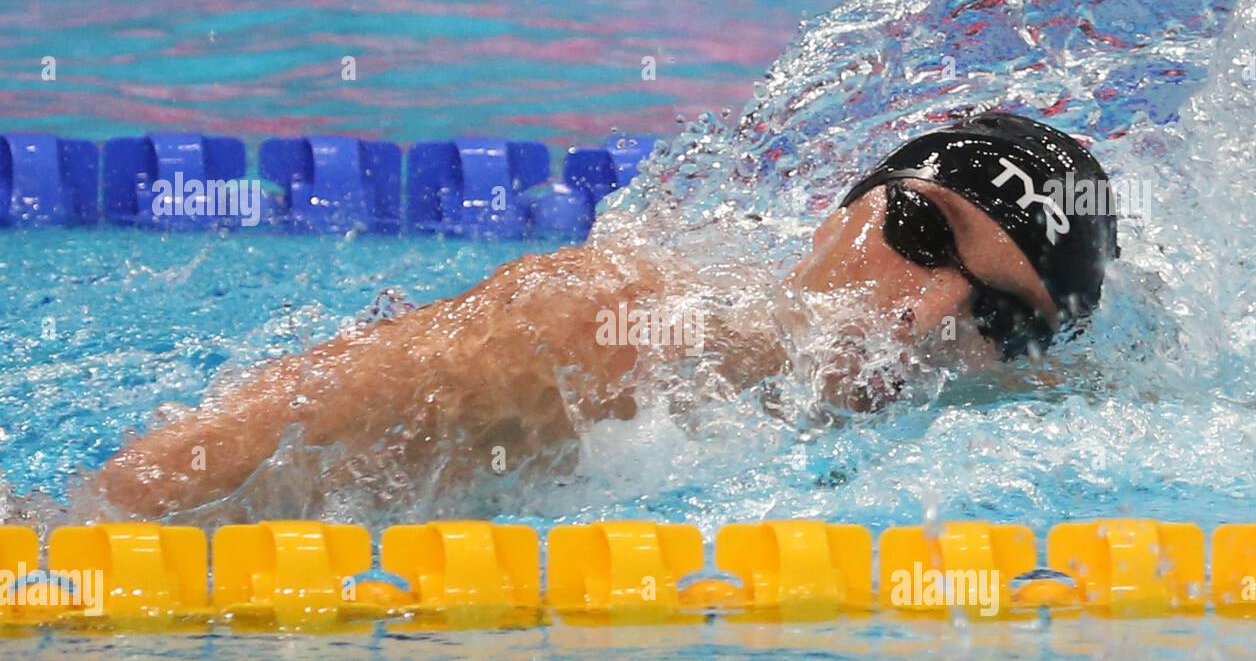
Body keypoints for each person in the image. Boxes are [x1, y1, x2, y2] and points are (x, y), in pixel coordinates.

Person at [87, 112, 1118, 520]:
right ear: (838, 206)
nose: (928, 309)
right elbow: (150, 491)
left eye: (1002, 318)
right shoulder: (606, 328)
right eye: (923, 233)